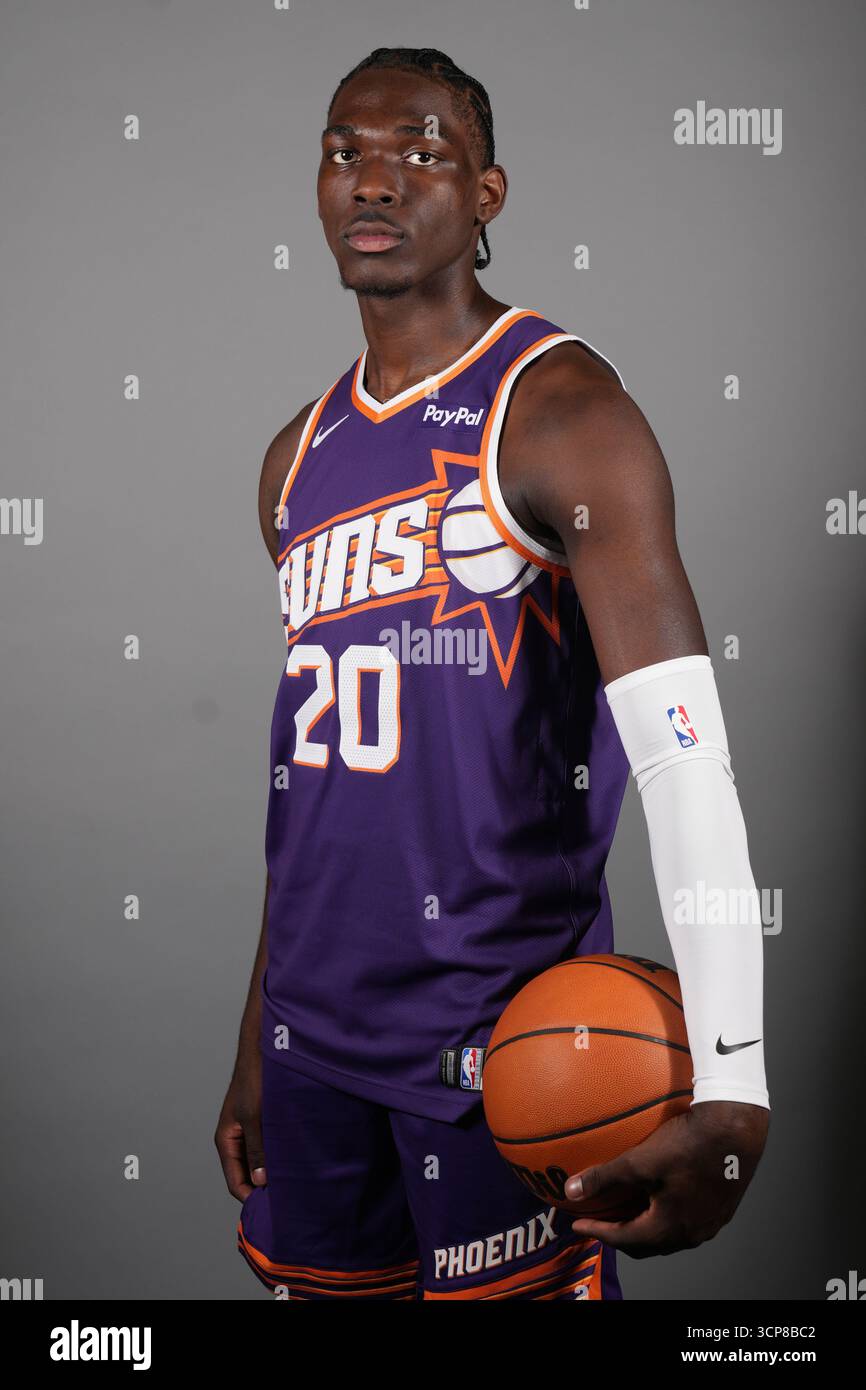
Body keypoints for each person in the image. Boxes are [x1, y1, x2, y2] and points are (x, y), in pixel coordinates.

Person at [215, 46, 770, 1301]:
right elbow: (316, 780)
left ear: (487, 195)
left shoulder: (561, 408)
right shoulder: (292, 462)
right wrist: (261, 1028)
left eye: (420, 153)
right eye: (344, 150)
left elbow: (684, 760)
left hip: (503, 1042)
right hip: (312, 1040)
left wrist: (732, 1071)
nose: (374, 180)